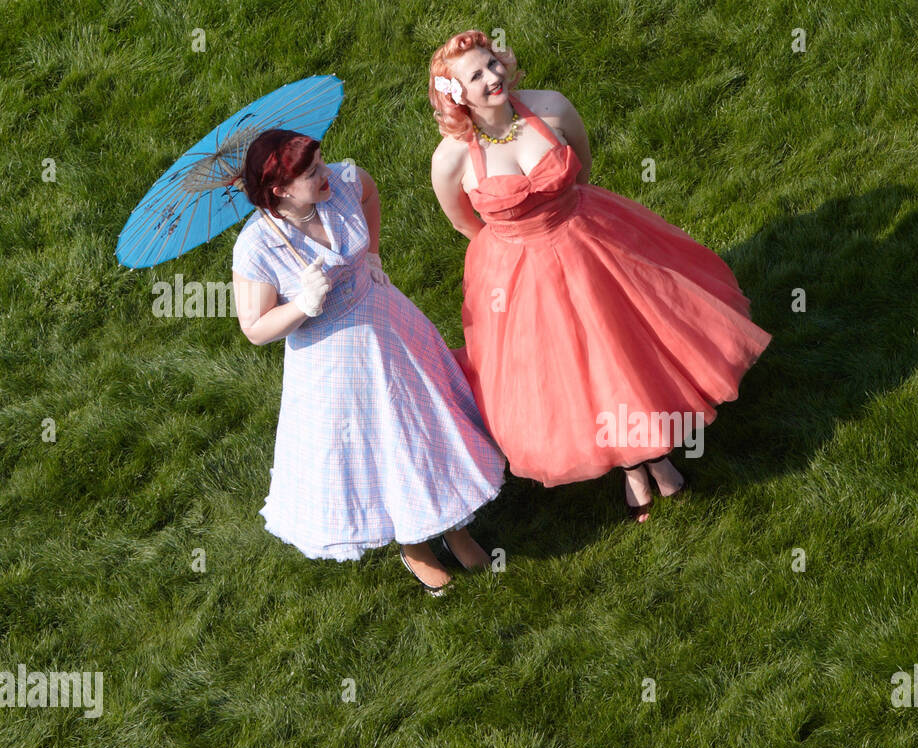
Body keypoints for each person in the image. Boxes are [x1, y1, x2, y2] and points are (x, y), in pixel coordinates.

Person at [428, 30, 771, 522]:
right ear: (455, 94)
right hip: (519, 272)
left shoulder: (550, 108)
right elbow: (466, 224)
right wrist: (519, 243)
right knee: (573, 368)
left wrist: (564, 219)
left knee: (624, 346)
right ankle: (634, 466)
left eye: (493, 64)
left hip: (591, 237)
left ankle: (649, 453)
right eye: (476, 75)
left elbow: (582, 169)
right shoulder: (451, 159)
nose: (493, 77)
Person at [231, 128, 505, 594]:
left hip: (389, 322)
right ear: (279, 190)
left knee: (423, 425)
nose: (327, 174)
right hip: (334, 362)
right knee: (378, 445)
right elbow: (255, 328)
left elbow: (371, 191)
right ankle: (414, 544)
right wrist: (303, 305)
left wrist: (372, 254)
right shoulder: (257, 247)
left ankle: (454, 525)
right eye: (312, 172)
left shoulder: (341, 183)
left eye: (320, 163)